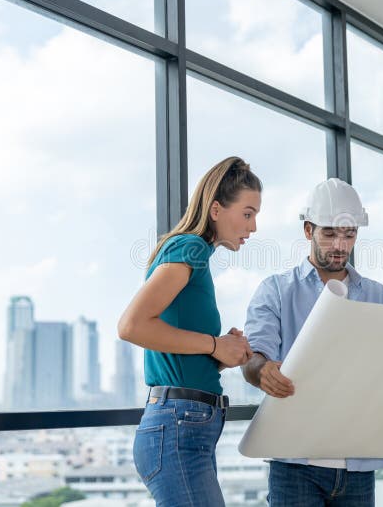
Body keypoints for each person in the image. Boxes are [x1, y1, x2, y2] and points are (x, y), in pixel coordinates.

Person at [242, 178, 383, 506]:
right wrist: (263, 370)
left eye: (349, 234)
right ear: (308, 230)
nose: (340, 245)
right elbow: (254, 357)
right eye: (329, 233)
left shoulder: (378, 296)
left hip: (359, 463)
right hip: (295, 463)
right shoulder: (276, 291)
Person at [118, 156, 260, 506]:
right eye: (247, 213)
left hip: (187, 428)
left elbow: (174, 345)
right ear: (215, 209)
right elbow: (131, 326)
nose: (254, 226)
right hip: (179, 428)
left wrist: (224, 351)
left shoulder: (194, 254)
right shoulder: (190, 247)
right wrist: (214, 344)